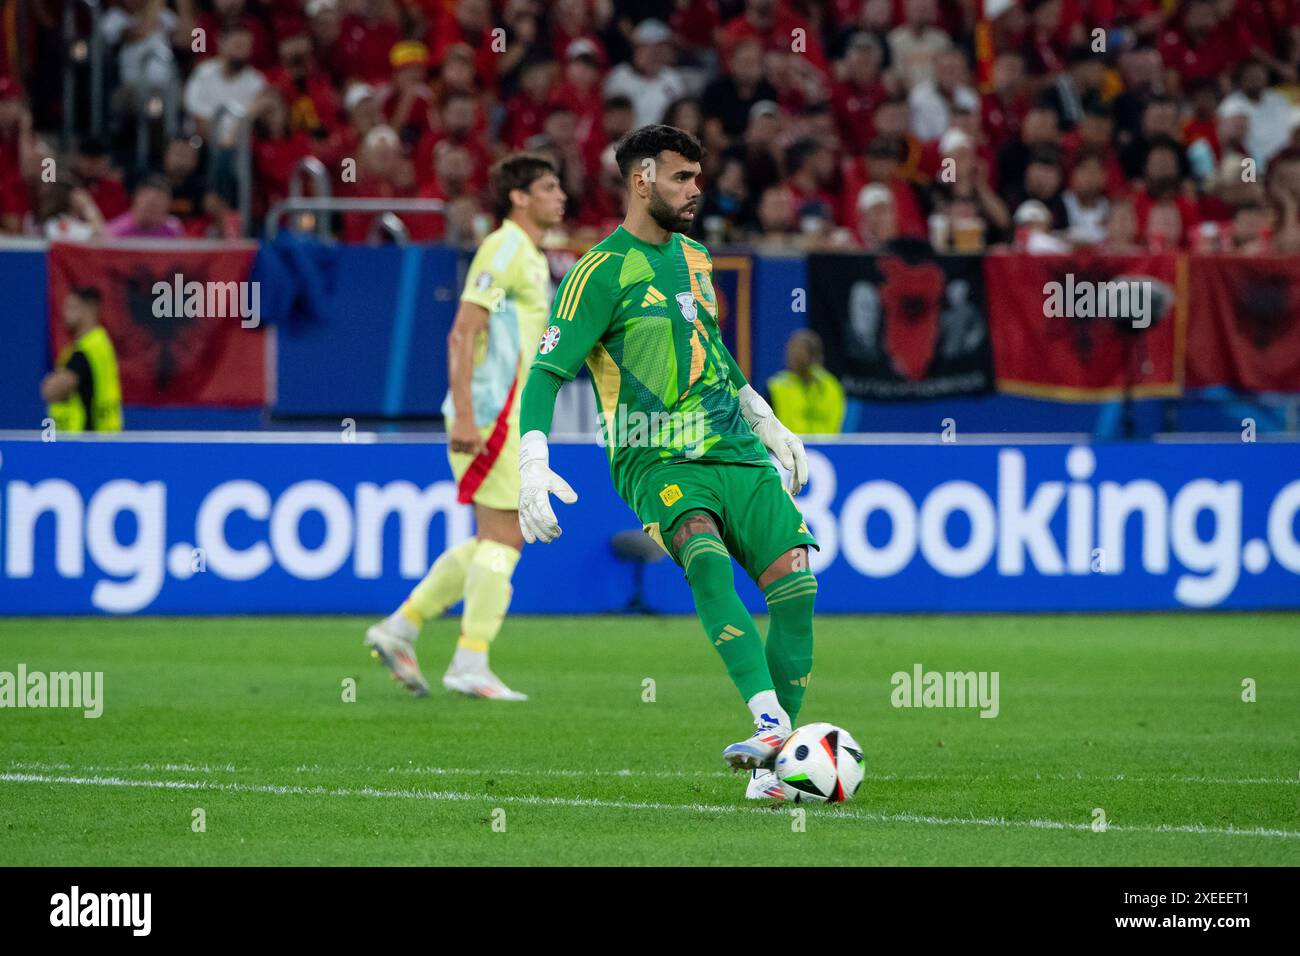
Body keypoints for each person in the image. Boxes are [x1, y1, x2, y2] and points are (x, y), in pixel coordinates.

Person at [515, 125, 816, 801]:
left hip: (731, 446)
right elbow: (545, 374)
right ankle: (769, 722)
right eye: (682, 178)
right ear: (642, 179)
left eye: (698, 178)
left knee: (797, 591)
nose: (695, 190)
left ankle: (777, 772)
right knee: (704, 558)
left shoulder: (698, 260)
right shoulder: (600, 270)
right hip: (653, 454)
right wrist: (533, 461)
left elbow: (710, 346)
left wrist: (763, 415)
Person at [364, 154, 566, 700]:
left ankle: (401, 627)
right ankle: (470, 661)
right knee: (507, 539)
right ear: (519, 197)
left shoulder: (526, 254)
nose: (561, 197)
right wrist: (468, 414)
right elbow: (461, 332)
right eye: (549, 187)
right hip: (492, 415)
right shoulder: (503, 247)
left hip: (507, 414)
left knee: (490, 540)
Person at [42, 287, 123, 434]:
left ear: (89, 309)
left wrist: (50, 382)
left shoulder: (86, 350)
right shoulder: (101, 342)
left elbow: (52, 391)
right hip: (106, 436)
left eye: (72, 307)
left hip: (85, 440)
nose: (64, 313)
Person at [767, 330, 846, 435]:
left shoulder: (831, 386)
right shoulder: (776, 387)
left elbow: (835, 423)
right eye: (791, 351)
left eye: (800, 352)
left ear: (814, 356)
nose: (793, 357)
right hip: (786, 447)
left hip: (824, 449)